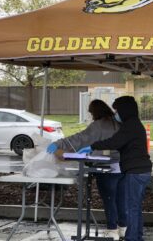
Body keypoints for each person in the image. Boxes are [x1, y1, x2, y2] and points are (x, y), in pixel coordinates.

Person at [46, 99, 127, 240]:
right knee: (121, 200)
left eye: (90, 113)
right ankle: (124, 229)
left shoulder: (98, 126)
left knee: (109, 200)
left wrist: (58, 143)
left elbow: (79, 138)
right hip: (124, 167)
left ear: (95, 112)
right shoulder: (119, 124)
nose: (90, 116)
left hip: (106, 169)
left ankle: (112, 230)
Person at [77, 96, 152, 241]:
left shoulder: (130, 125)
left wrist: (92, 146)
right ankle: (136, 236)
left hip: (135, 172)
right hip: (142, 170)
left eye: (117, 110)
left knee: (132, 208)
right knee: (135, 207)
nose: (116, 114)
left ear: (125, 110)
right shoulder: (134, 124)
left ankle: (132, 238)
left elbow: (115, 142)